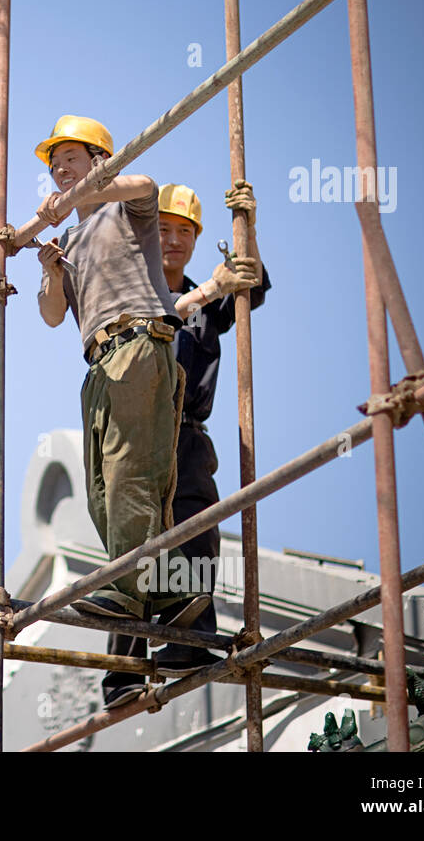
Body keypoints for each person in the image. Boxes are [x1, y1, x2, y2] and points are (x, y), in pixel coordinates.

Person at [33, 115, 208, 709]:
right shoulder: (73, 242)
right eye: (55, 162)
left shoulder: (122, 212)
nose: (60, 169)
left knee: (134, 474)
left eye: (72, 158)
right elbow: (53, 315)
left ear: (100, 162)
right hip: (99, 361)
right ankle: (163, 587)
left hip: (138, 343)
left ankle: (142, 587)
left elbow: (146, 186)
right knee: (105, 494)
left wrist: (86, 194)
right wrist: (52, 271)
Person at [150, 180, 270, 677]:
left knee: (196, 529)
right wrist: (209, 290)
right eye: (162, 229)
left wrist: (249, 229)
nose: (174, 240)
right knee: (137, 544)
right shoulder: (130, 288)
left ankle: (191, 640)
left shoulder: (208, 301)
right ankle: (124, 666)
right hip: (137, 432)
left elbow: (251, 286)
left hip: (187, 431)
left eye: (185, 230)